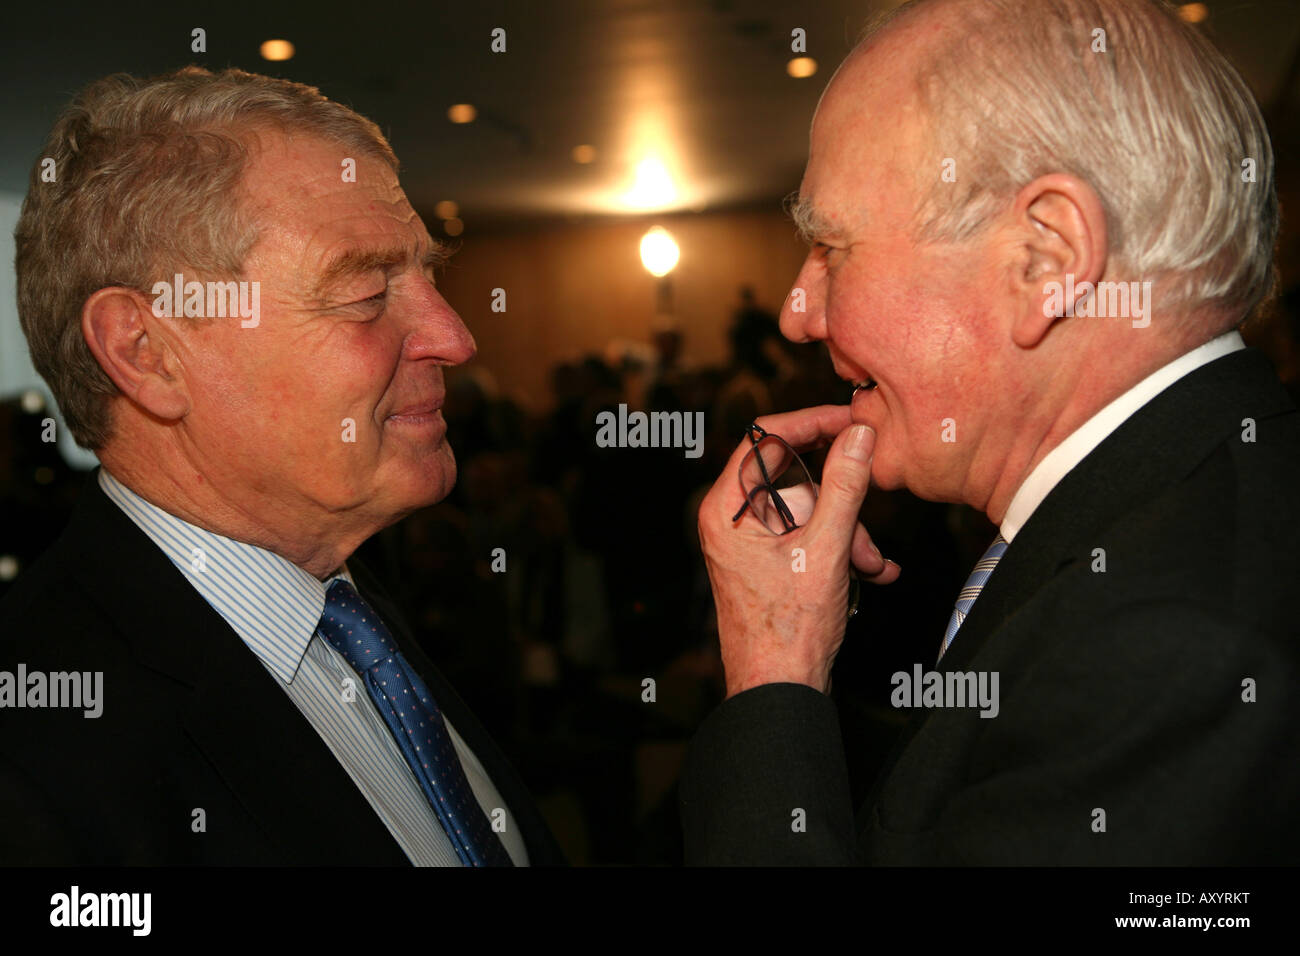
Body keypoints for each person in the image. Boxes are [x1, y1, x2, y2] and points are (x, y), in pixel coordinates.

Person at [681, 0, 1300, 864]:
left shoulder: (1162, 650)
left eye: (833, 248)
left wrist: (770, 668)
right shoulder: (1187, 514)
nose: (797, 312)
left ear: (1045, 260)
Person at [0, 67, 563, 865]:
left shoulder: (356, 614)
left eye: (428, 277)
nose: (454, 336)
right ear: (147, 353)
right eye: (366, 292)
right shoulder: (38, 763)